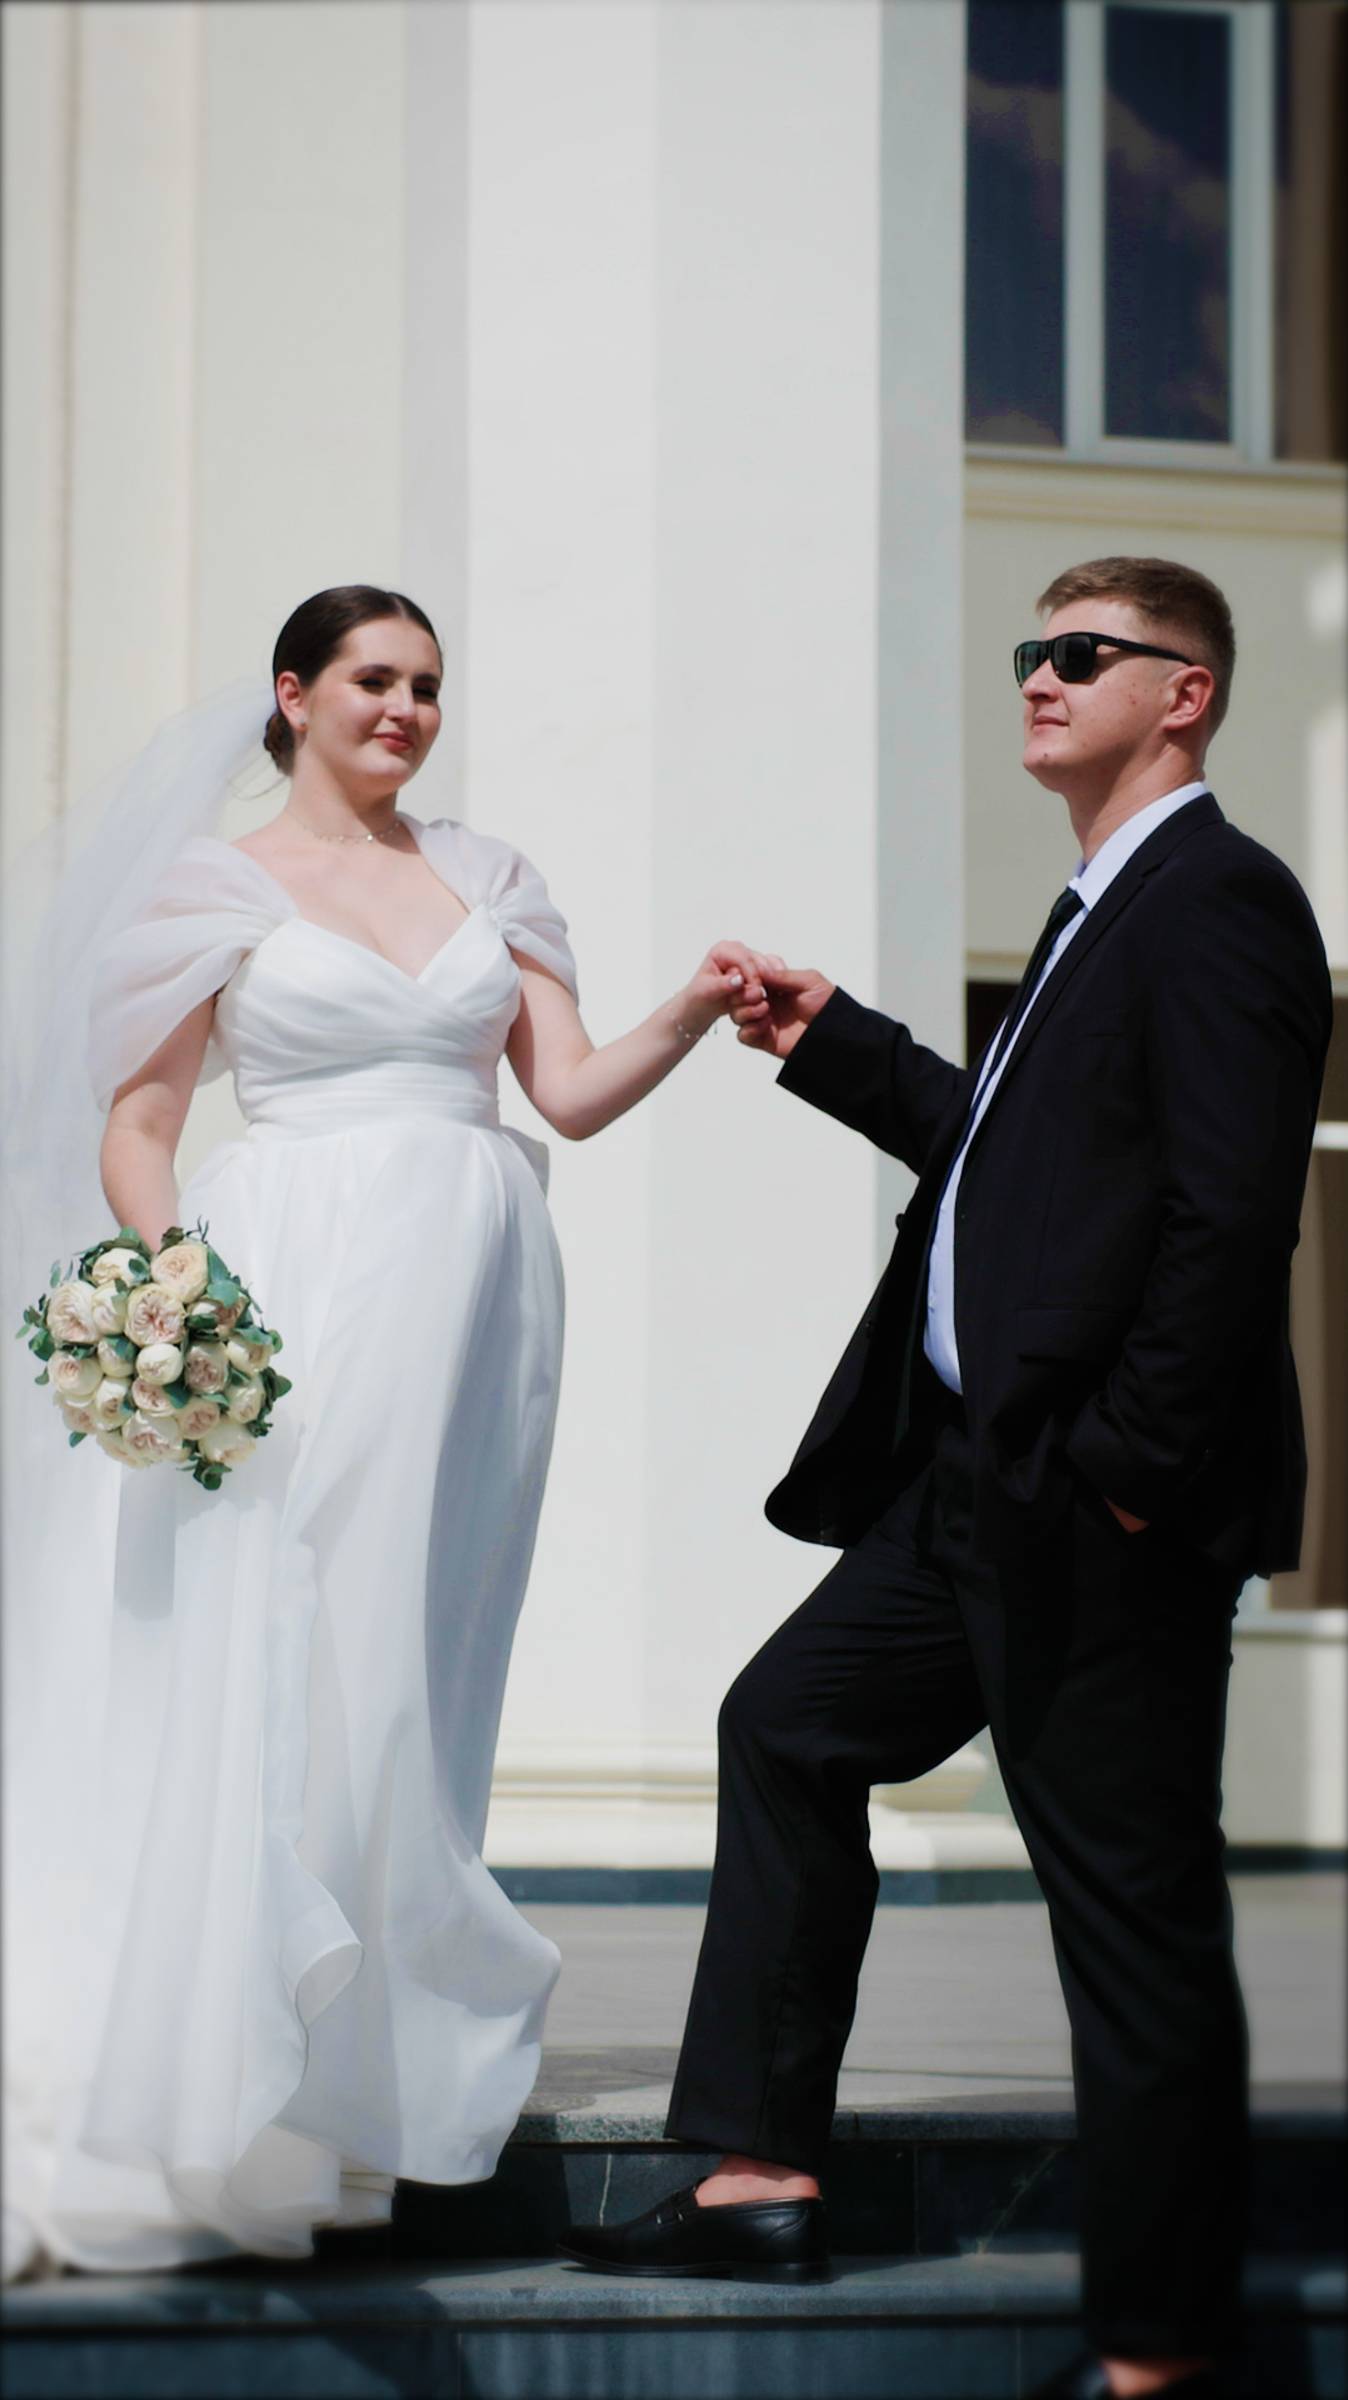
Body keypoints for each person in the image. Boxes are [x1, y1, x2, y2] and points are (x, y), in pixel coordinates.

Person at [559, 558, 1332, 2400]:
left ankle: (1162, 2354)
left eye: (1082, 654)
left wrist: (1130, 1473)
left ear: (1188, 693)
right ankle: (754, 2169)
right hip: (975, 1487)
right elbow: (1016, 1164)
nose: (1040, 680)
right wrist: (838, 1043)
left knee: (1130, 1916)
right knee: (787, 1727)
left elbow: (1233, 1224)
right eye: (1030, 654)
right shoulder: (1094, 909)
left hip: (1095, 1501)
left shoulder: (1223, 901)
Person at [1, 583, 762, 2280]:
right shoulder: (213, 888)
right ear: (295, 694)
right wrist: (183, 1292)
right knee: (291, 1649)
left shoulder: (491, 877)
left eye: (427, 683)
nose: (407, 708)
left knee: (415, 1667)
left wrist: (694, 1010)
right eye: (373, 679)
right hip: (290, 1287)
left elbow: (567, 1093)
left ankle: (350, 2082)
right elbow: (140, 1125)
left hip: (475, 1304)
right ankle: (245, 2068)